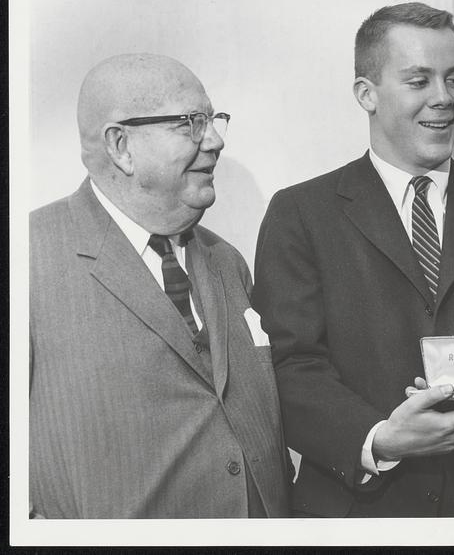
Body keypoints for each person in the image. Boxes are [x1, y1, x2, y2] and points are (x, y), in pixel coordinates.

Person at [252, 2, 454, 517]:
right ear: (366, 94)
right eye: (419, 80)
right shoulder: (300, 214)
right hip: (358, 513)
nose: (443, 99)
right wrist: (380, 438)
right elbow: (289, 366)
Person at [29, 53, 290, 518]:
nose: (215, 141)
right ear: (120, 146)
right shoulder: (28, 256)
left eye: (213, 120)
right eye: (190, 123)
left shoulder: (226, 261)